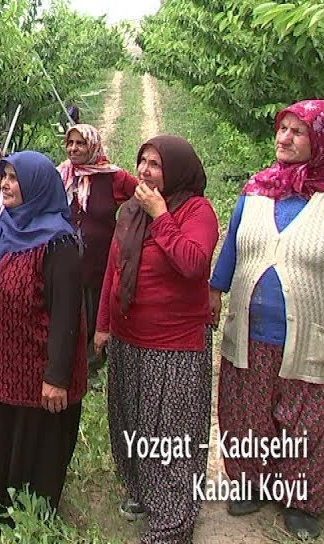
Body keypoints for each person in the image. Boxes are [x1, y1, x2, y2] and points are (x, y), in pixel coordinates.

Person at [211, 100, 324, 539]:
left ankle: (300, 497)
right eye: (282, 130)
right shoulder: (257, 190)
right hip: (252, 332)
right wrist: (214, 291)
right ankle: (251, 481)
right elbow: (234, 246)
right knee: (246, 411)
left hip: (322, 335)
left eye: (298, 132)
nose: (285, 139)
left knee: (312, 419)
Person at [94, 136, 217, 544]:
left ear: (177, 170)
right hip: (130, 338)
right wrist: (103, 324)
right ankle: (144, 492)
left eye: (156, 164)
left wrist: (161, 215)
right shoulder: (129, 211)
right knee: (132, 421)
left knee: (170, 430)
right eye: (142, 162)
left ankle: (173, 519)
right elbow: (115, 269)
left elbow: (193, 264)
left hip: (175, 342)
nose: (145, 171)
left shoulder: (197, 211)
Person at [0, 151, 85, 535]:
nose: (4, 184)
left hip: (33, 370)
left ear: (37, 185)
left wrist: (56, 376)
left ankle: (26, 523)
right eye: (4, 177)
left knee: (28, 445)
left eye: (15, 178)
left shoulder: (57, 242)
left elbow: (67, 313)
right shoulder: (2, 229)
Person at [56, 124, 138, 373]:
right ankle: (71, 360)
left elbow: (143, 197)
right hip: (67, 256)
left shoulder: (113, 177)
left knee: (95, 306)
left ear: (92, 145)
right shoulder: (61, 174)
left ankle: (94, 360)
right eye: (70, 143)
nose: (73, 149)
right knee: (69, 306)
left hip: (99, 258)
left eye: (80, 143)